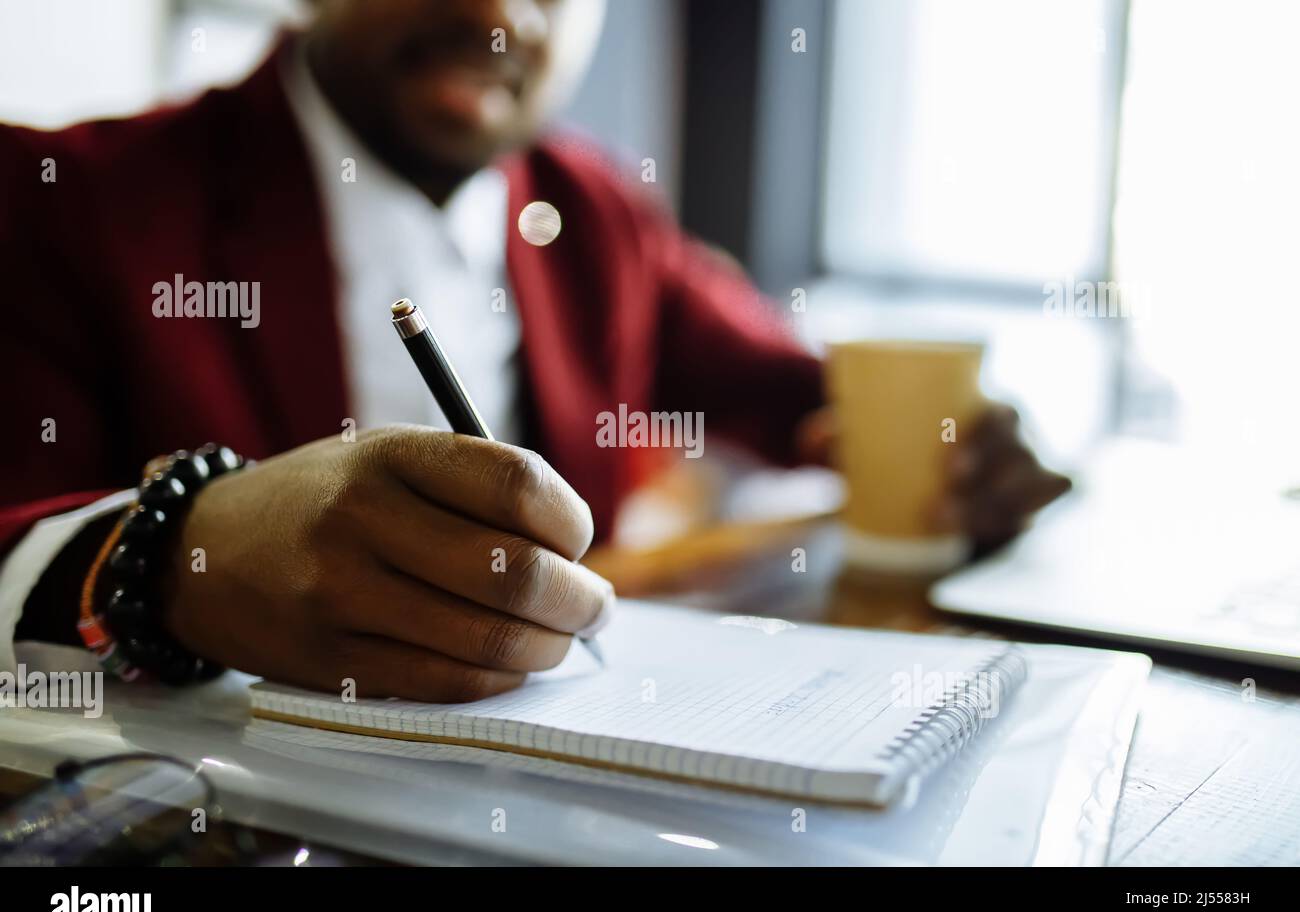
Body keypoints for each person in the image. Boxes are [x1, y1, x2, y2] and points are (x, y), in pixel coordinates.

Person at [0, 0, 1068, 701]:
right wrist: (170, 556)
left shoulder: (596, 213)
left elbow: (792, 389)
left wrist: (941, 443)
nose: (497, 14)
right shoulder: (63, 202)